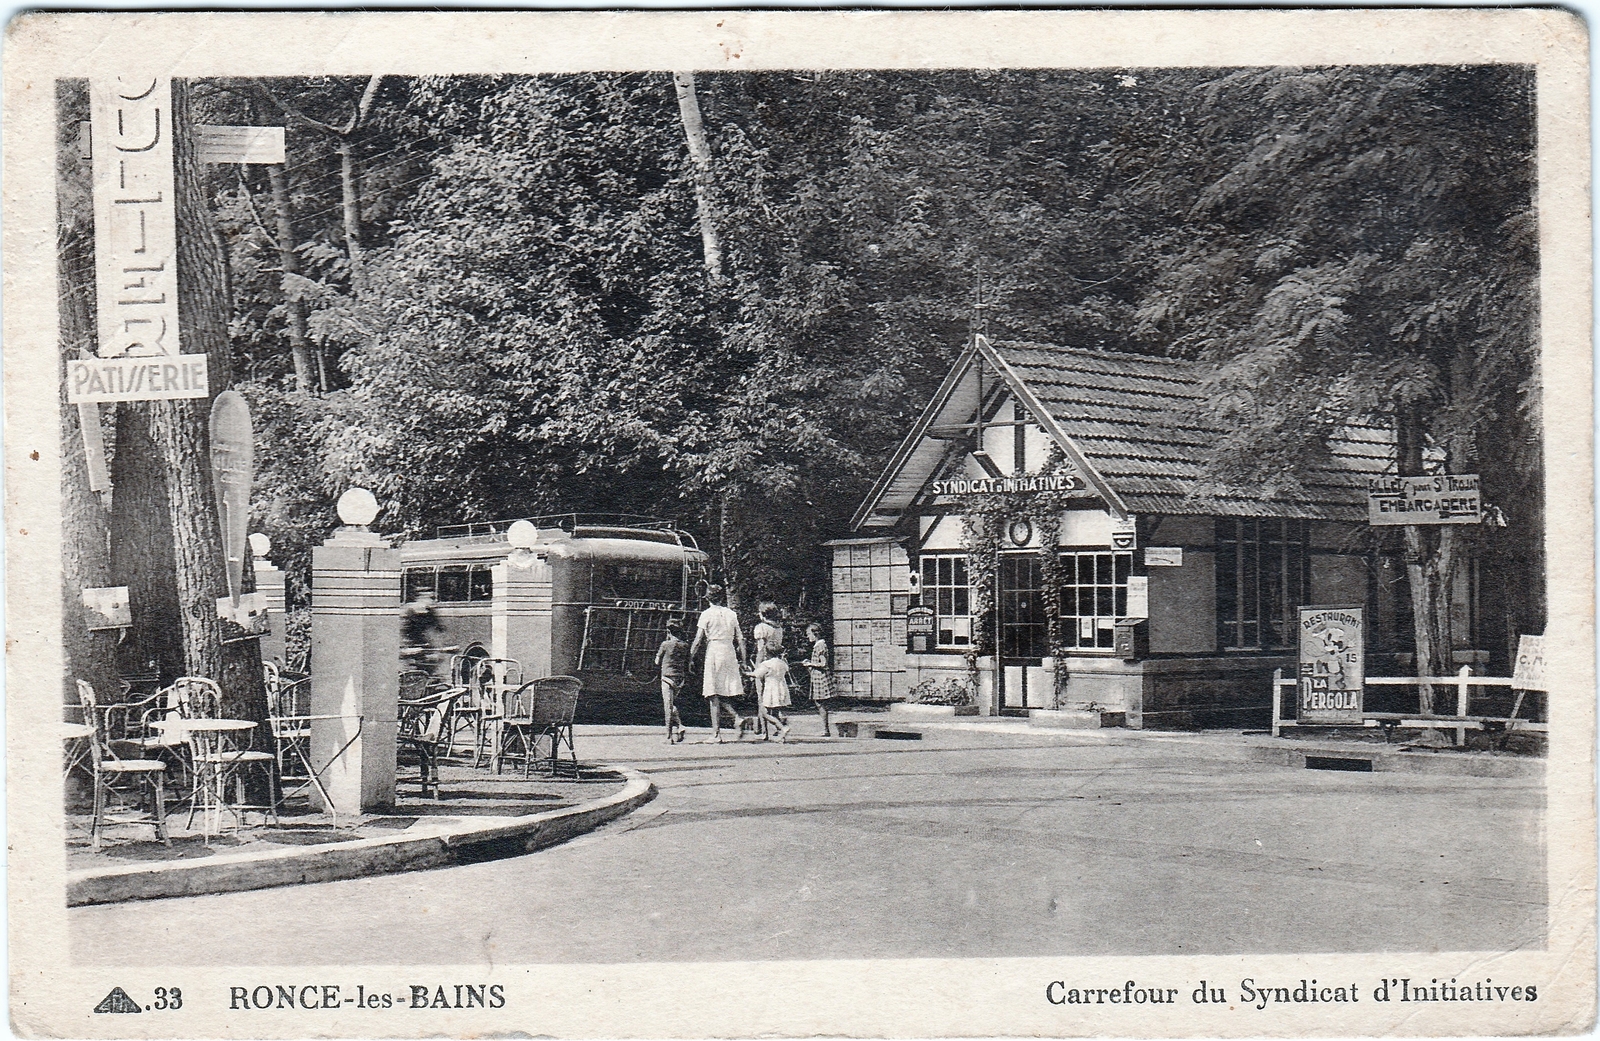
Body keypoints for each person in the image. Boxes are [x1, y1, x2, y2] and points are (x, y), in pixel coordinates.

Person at [689, 584, 749, 742]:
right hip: (729, 651)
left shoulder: (706, 614)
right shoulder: (731, 614)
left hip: (714, 651)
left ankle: (716, 734)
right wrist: (743, 660)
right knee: (722, 690)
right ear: (722, 598)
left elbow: (697, 640)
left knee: (712, 692)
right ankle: (736, 717)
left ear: (708, 598)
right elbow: (740, 639)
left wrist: (690, 658)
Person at [750, 602, 786, 737]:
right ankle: (768, 726)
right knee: (773, 696)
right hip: (776, 662)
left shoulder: (761, 628)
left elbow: (761, 649)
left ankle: (764, 730)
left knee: (761, 697)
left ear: (763, 614)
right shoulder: (778, 628)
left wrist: (757, 665)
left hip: (764, 662)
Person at [655, 618, 689, 744]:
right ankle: (680, 726)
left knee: (667, 707)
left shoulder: (665, 644)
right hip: (679, 678)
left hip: (667, 677)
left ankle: (669, 737)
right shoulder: (685, 645)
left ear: (669, 631)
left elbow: (657, 661)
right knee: (672, 704)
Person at [803, 622, 840, 736]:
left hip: (821, 677)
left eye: (809, 634)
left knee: (821, 703)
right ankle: (825, 728)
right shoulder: (818, 645)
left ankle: (825, 729)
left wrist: (810, 663)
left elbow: (823, 663)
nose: (808, 636)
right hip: (817, 677)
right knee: (820, 703)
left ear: (815, 634)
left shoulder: (820, 646)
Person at [749, 645, 792, 743]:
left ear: (767, 653)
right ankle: (782, 736)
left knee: (765, 713)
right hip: (780, 687)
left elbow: (757, 674)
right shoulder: (782, 663)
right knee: (775, 712)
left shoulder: (766, 664)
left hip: (770, 689)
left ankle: (782, 727)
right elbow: (787, 669)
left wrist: (746, 673)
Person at [400, 590, 446, 673]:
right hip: (413, 643)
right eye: (429, 597)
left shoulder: (429, 611)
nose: (431, 600)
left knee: (431, 662)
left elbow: (438, 627)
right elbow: (405, 629)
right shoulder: (412, 610)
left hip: (422, 643)